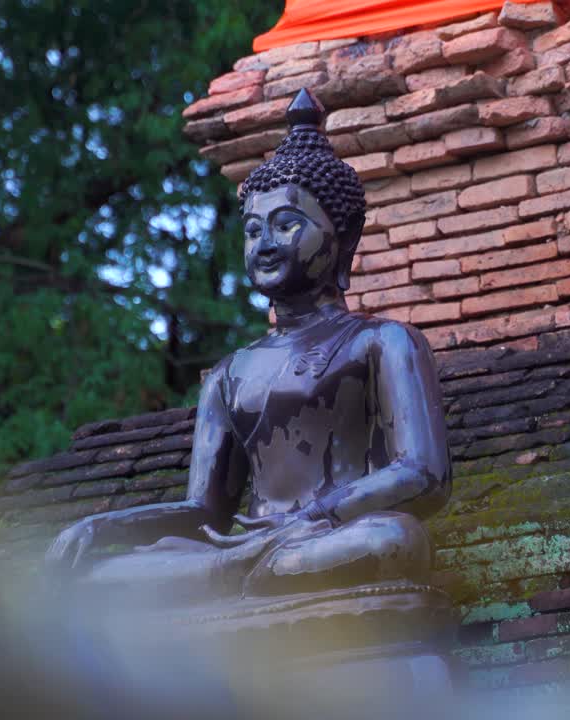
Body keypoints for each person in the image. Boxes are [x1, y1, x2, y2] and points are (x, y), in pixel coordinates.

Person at [44, 90, 451, 605]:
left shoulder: (382, 342)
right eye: (253, 230)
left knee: (393, 540)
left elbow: (423, 474)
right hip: (245, 545)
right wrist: (104, 528)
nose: (264, 244)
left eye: (286, 224)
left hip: (328, 536)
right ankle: (237, 570)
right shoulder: (228, 373)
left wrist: (312, 518)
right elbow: (205, 511)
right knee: (98, 574)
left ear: (342, 239)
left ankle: (239, 572)